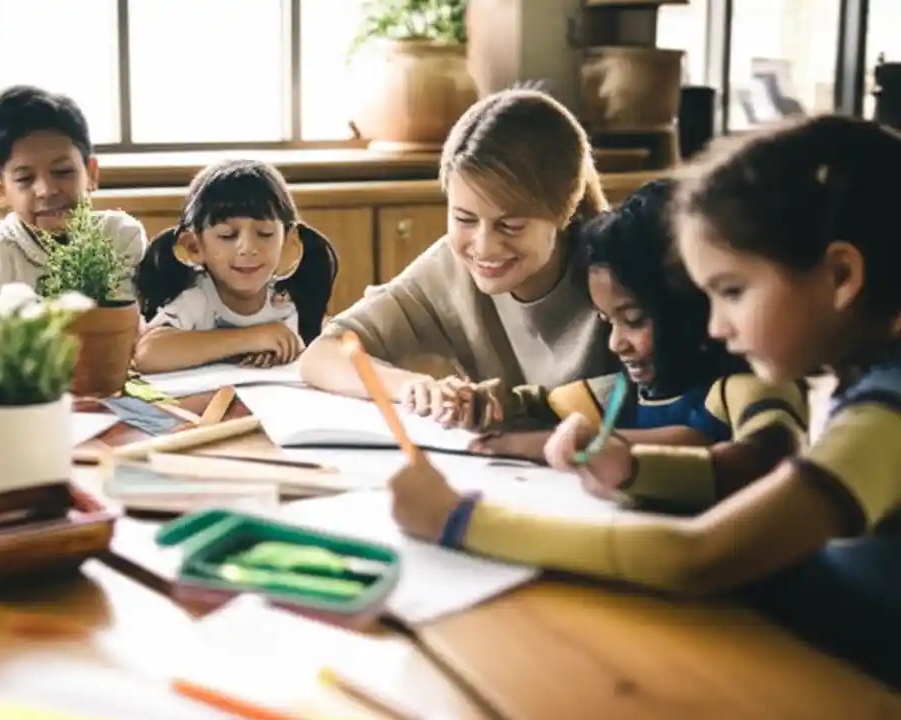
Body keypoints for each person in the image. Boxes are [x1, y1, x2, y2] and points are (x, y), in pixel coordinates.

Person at [387, 116, 901, 685]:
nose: (716, 328)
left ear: (840, 275)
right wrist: (635, 468)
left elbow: (698, 557)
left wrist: (461, 520)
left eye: (733, 292)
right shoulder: (869, 383)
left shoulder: (888, 413)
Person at [433, 180, 806, 514]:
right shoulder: (622, 395)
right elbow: (541, 405)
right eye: (608, 320)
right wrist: (487, 405)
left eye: (634, 319)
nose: (615, 343)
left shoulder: (748, 387)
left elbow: (766, 456)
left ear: (693, 306)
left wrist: (597, 454)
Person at [299, 89, 616, 416]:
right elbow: (323, 354)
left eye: (510, 225)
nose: (484, 247)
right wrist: (412, 386)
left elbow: (639, 402)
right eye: (465, 219)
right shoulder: (449, 270)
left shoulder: (618, 269)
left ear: (564, 211)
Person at [0, 85, 146, 325]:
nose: (46, 190)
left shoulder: (120, 236)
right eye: (25, 179)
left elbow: (139, 321)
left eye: (62, 171)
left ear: (91, 173)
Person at [133, 159, 338, 373]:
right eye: (227, 235)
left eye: (265, 234)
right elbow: (147, 354)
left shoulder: (290, 299)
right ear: (194, 247)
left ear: (289, 242)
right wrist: (250, 339)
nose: (248, 248)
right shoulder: (199, 298)